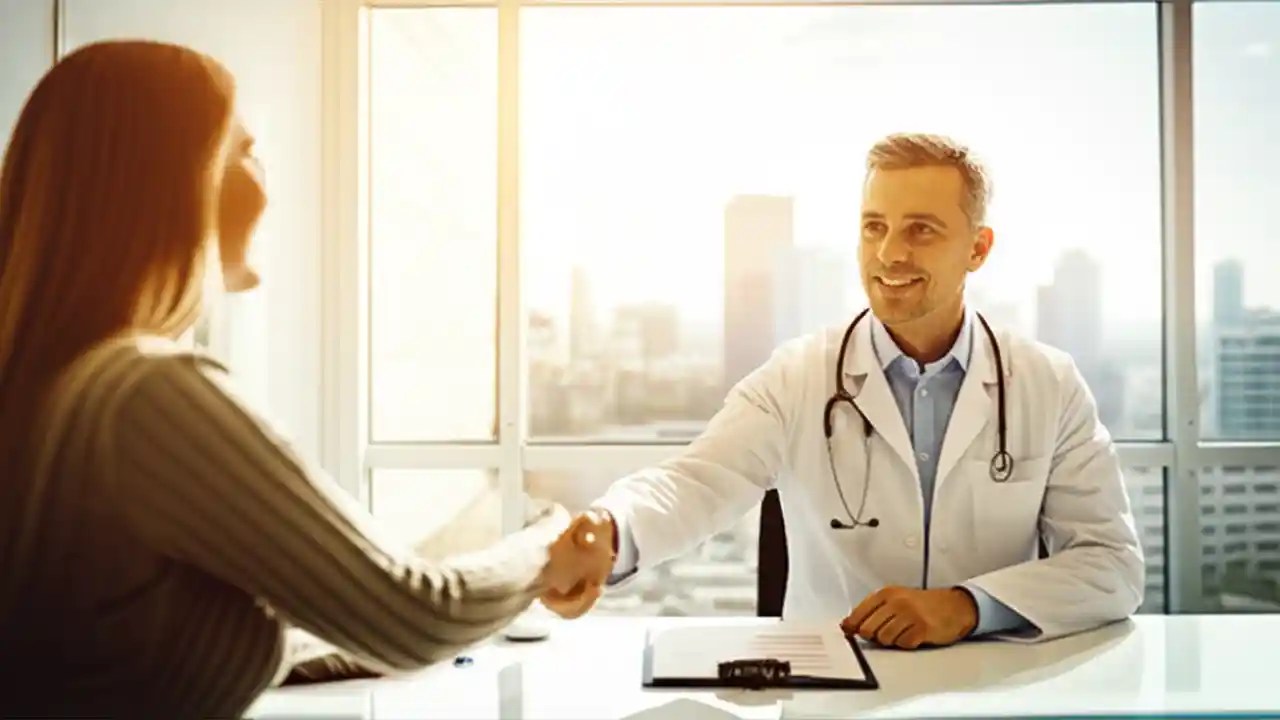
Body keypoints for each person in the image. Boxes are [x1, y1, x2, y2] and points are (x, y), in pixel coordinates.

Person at [0, 40, 609, 718]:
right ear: (170, 180)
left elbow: (123, 651)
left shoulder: (55, 393)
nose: (263, 181)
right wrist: (545, 548)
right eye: (243, 152)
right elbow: (417, 614)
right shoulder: (147, 397)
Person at [542, 133, 1144, 648]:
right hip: (832, 684)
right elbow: (695, 483)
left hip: (991, 684)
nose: (889, 253)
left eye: (921, 230)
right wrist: (610, 529)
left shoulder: (1047, 383)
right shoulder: (800, 375)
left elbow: (1111, 564)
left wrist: (966, 607)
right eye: (874, 226)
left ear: (978, 249)